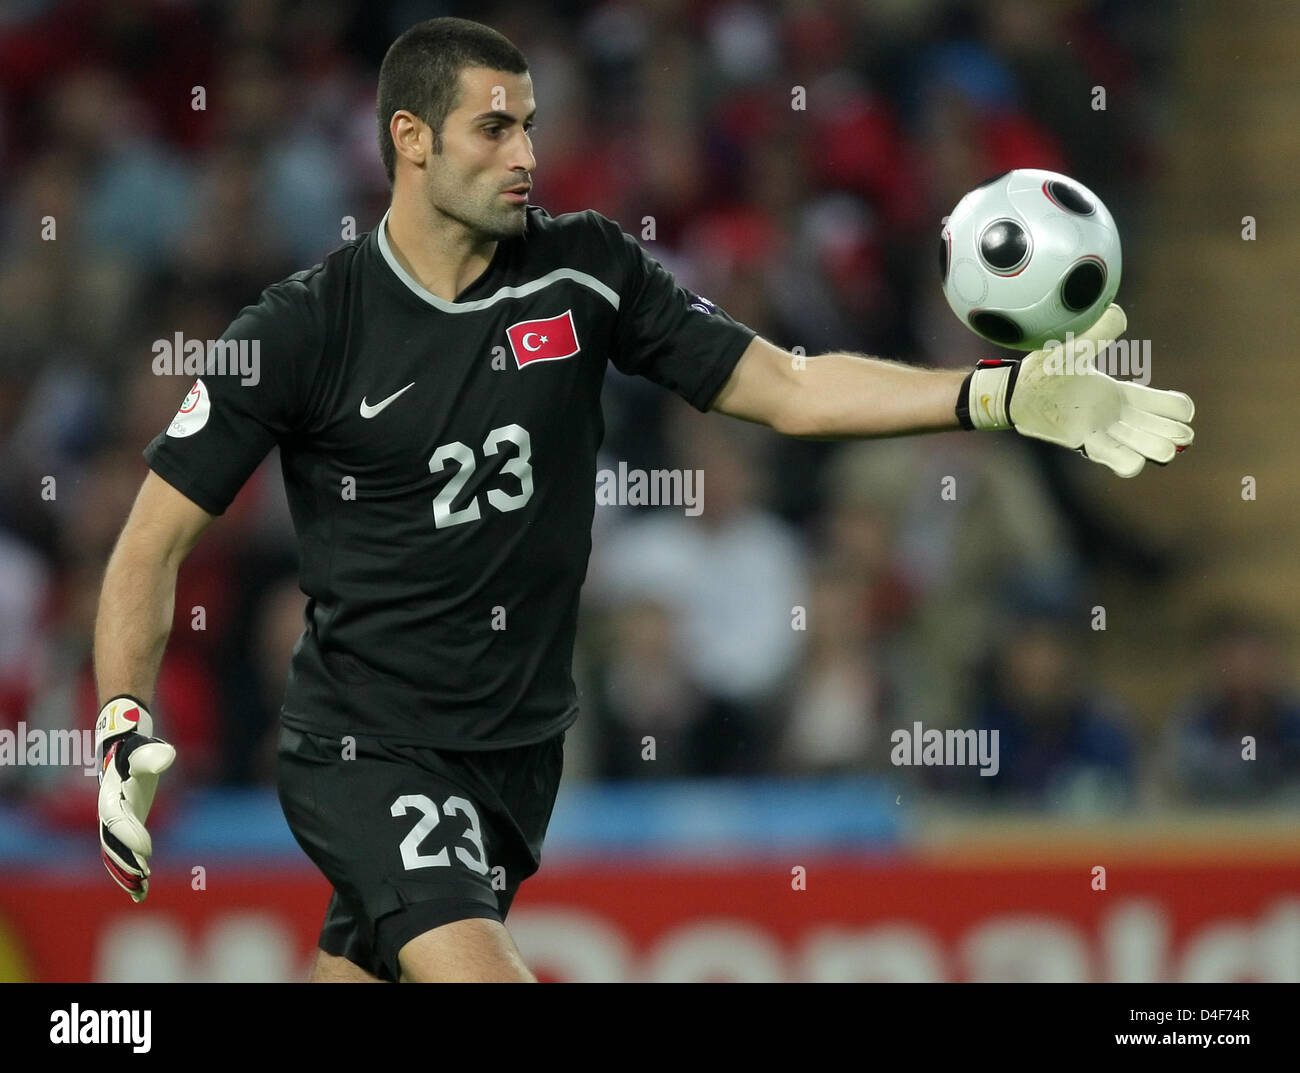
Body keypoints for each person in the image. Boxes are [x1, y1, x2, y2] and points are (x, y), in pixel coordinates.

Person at [90, 16, 1196, 983]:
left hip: (517, 751)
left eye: (529, 122)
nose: (527, 153)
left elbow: (790, 386)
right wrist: (123, 720)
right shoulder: (300, 329)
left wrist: (993, 395)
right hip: (367, 745)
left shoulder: (587, 272)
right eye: (494, 128)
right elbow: (149, 544)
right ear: (409, 140)